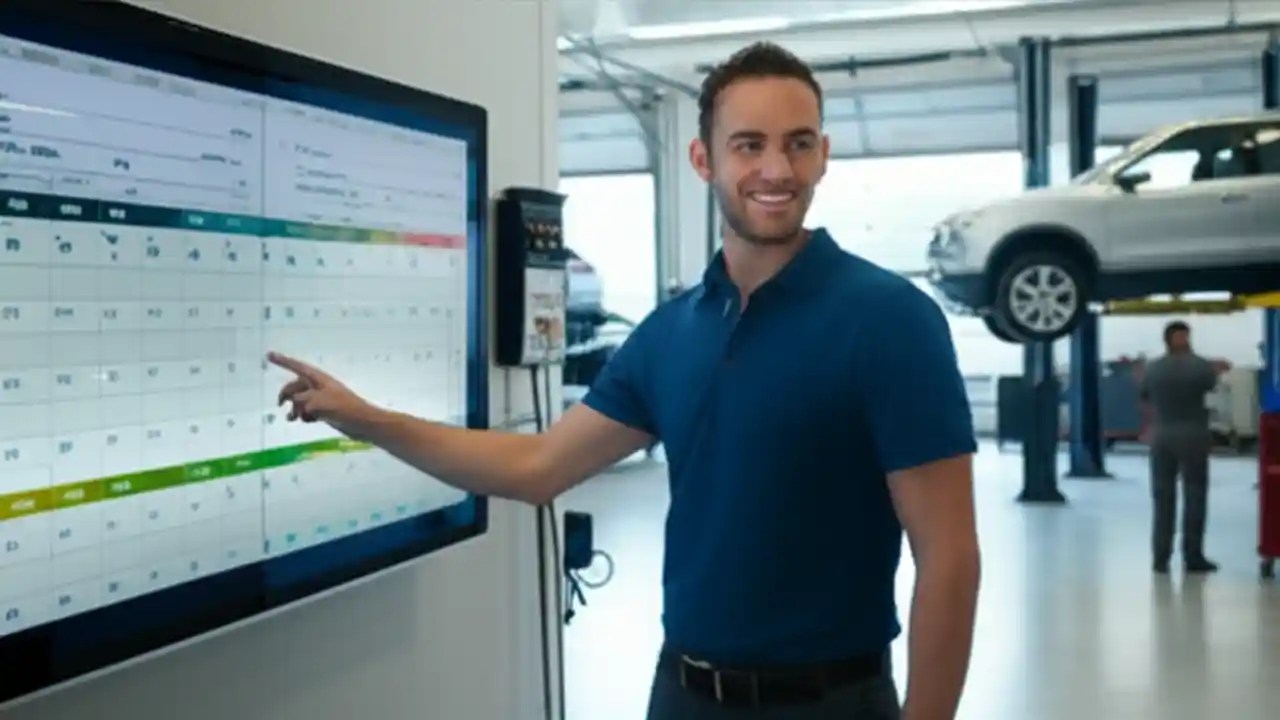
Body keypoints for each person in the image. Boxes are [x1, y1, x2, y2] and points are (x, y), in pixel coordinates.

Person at [269, 42, 981, 720]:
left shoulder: (889, 321)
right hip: (683, 696)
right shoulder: (671, 334)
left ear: (823, 154)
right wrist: (367, 419)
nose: (776, 169)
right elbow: (537, 467)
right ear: (703, 159)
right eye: (748, 145)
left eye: (798, 143)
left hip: (832, 704)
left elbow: (948, 555)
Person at [1140, 320, 1228, 574]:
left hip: (1162, 436)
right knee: (1195, 496)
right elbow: (1212, 387)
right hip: (1193, 436)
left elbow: (1144, 395)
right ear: (1186, 337)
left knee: (1162, 498)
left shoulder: (1153, 368)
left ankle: (1160, 558)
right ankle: (1193, 556)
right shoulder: (1201, 367)